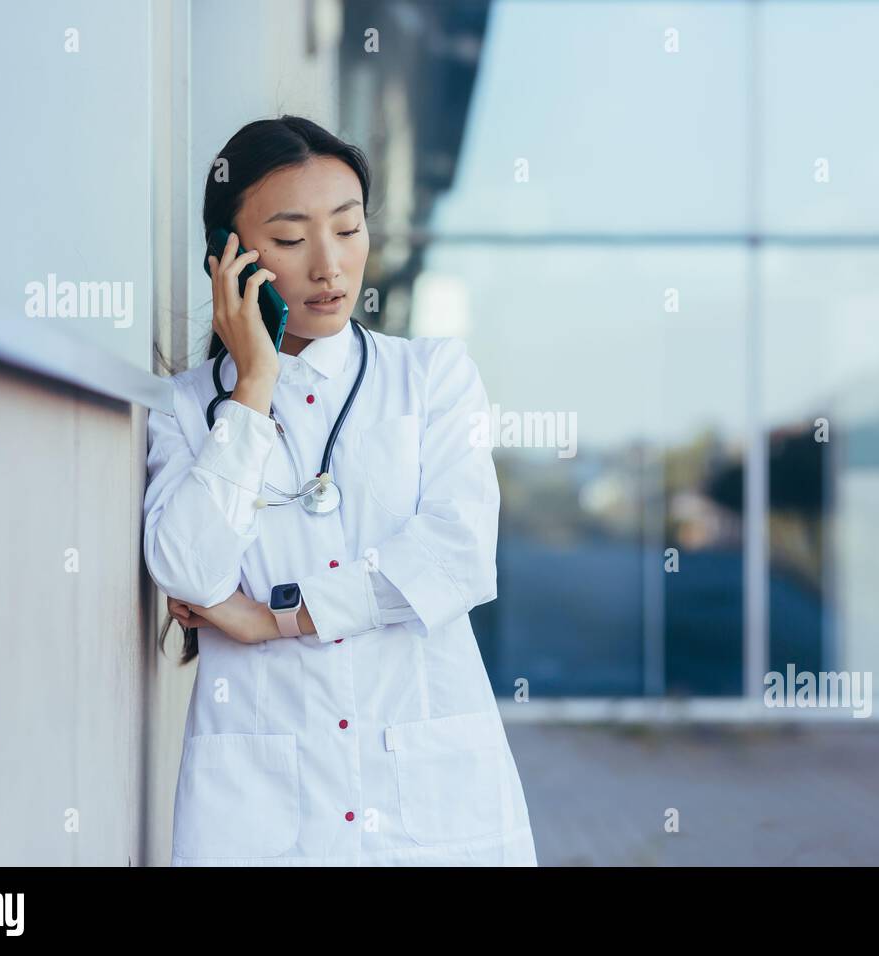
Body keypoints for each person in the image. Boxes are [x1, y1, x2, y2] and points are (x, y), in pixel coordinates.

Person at [142, 115, 537, 866]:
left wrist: (278, 618)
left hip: (432, 795)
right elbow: (189, 571)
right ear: (228, 260)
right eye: (290, 240)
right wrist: (252, 389)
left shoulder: (431, 379)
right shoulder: (189, 410)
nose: (330, 266)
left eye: (348, 229)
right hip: (263, 810)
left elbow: (457, 557)